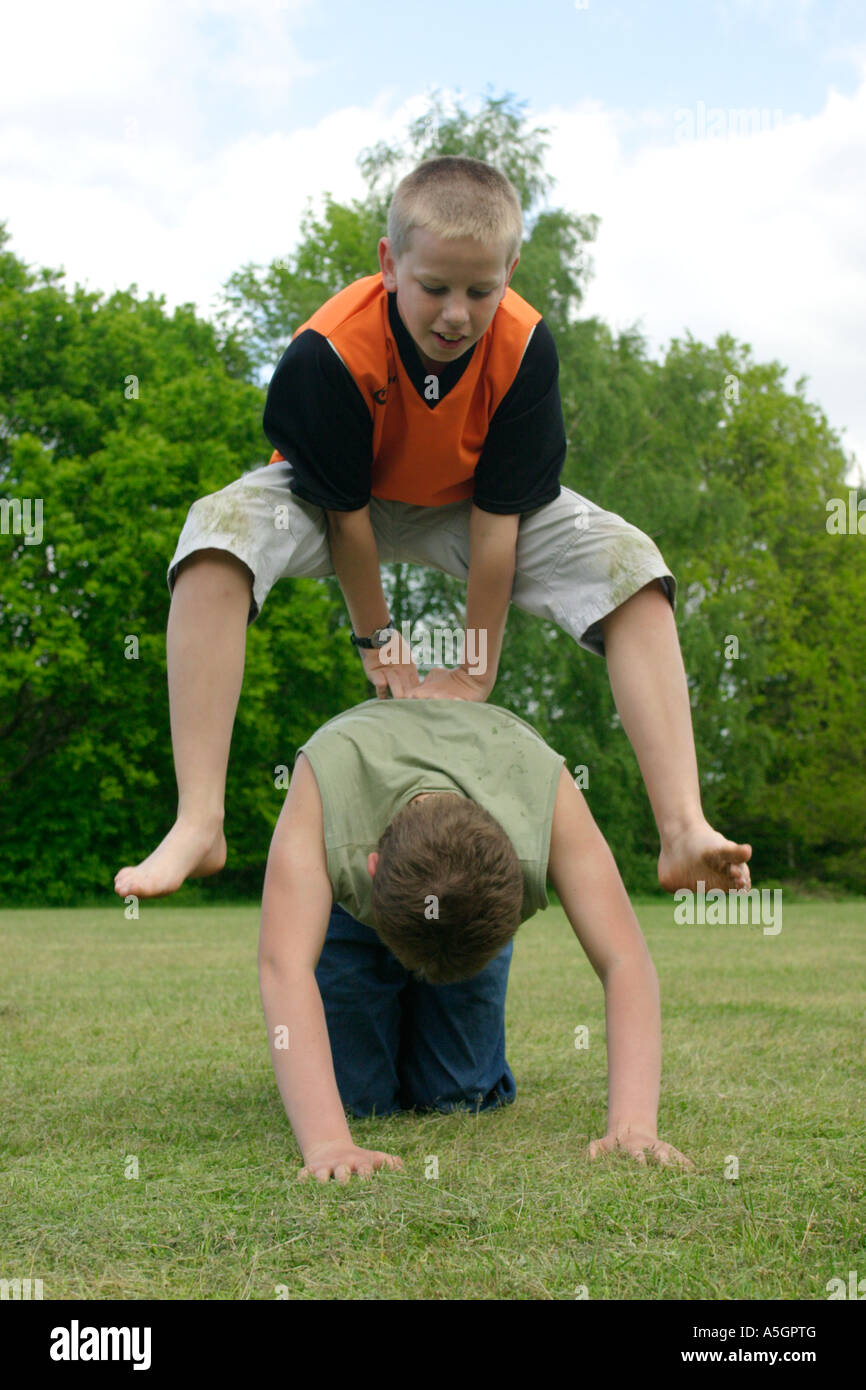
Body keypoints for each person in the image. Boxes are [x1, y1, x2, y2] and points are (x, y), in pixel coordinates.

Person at [114, 154, 751, 902]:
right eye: (435, 287)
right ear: (389, 265)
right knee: (215, 534)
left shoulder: (524, 349)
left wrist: (474, 663)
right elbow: (347, 518)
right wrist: (377, 637)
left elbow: (497, 524)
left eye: (481, 291)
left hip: (469, 506)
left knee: (631, 566)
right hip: (339, 505)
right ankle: (200, 820)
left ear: (510, 270)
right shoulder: (328, 353)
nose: (457, 313)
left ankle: (682, 829)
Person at [258, 697, 694, 1182]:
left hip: (465, 912)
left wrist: (633, 1126)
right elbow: (285, 966)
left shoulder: (544, 788)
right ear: (371, 866)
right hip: (353, 916)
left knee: (460, 1095)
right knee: (356, 1100)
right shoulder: (326, 775)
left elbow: (624, 958)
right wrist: (327, 1143)